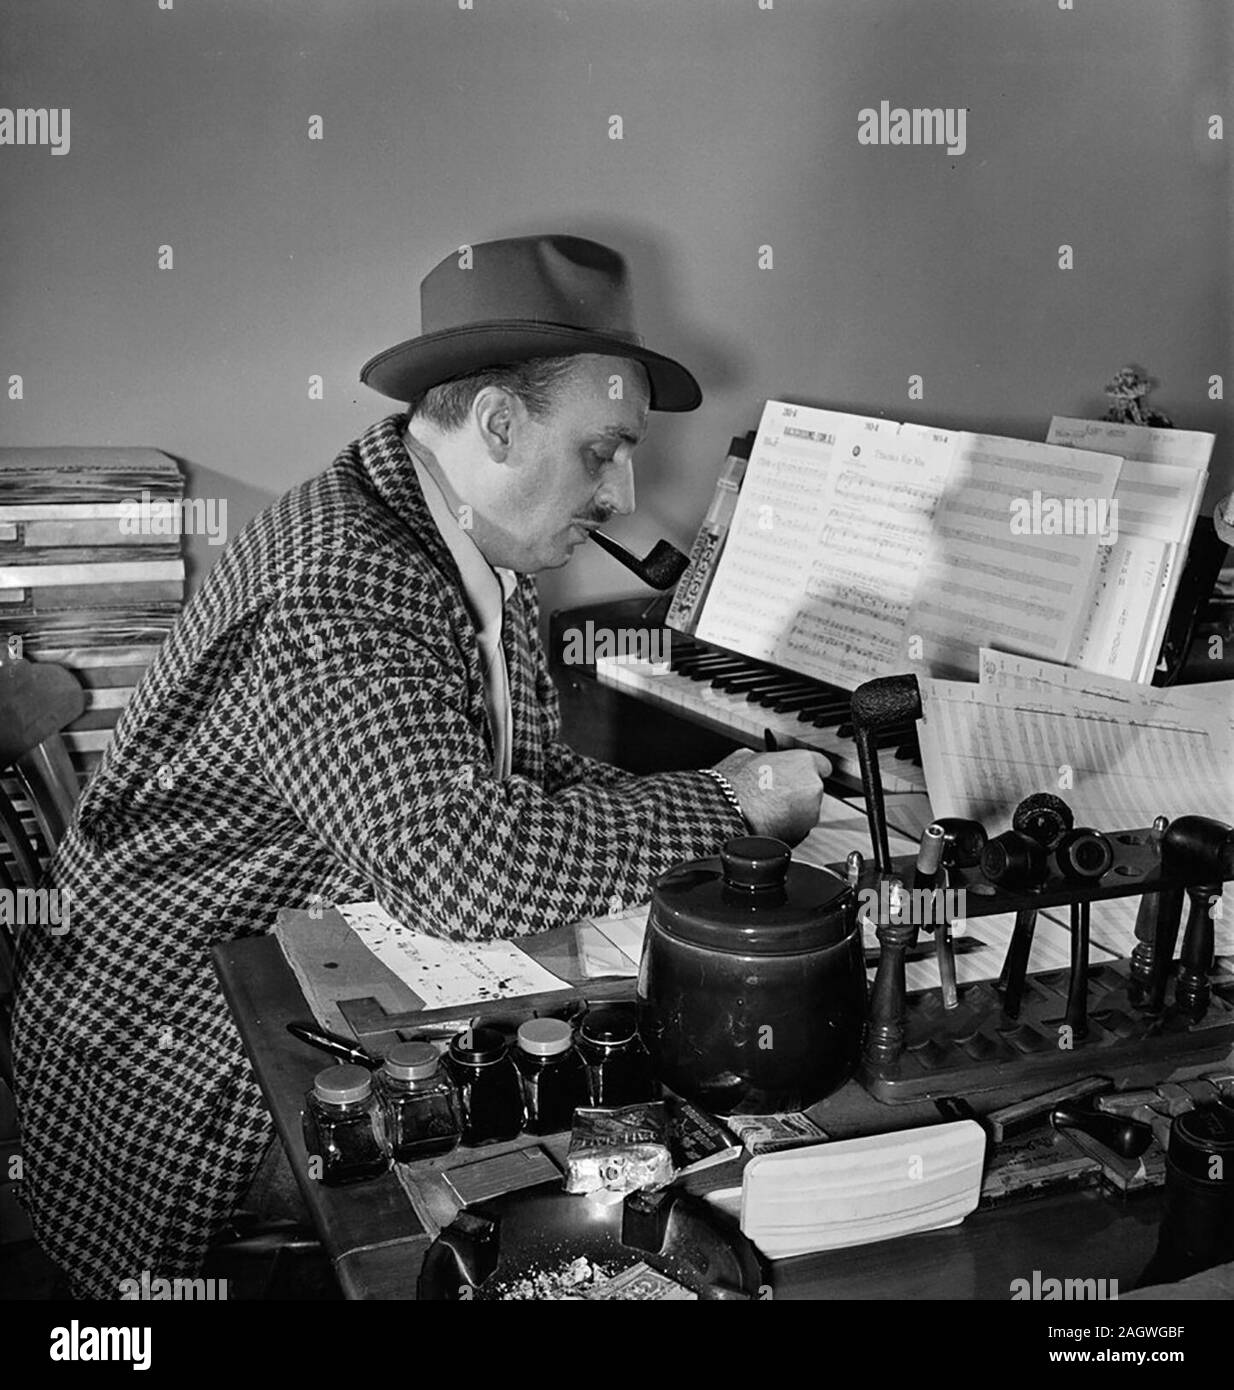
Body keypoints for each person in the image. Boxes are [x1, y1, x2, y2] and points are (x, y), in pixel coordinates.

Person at [12, 234, 828, 1297]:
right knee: (639, 1141)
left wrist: (711, 798)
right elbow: (460, 866)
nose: (623, 491)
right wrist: (726, 803)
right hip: (183, 1060)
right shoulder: (348, 578)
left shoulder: (462, 537)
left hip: (277, 972)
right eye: (601, 450)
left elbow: (516, 785)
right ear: (497, 423)